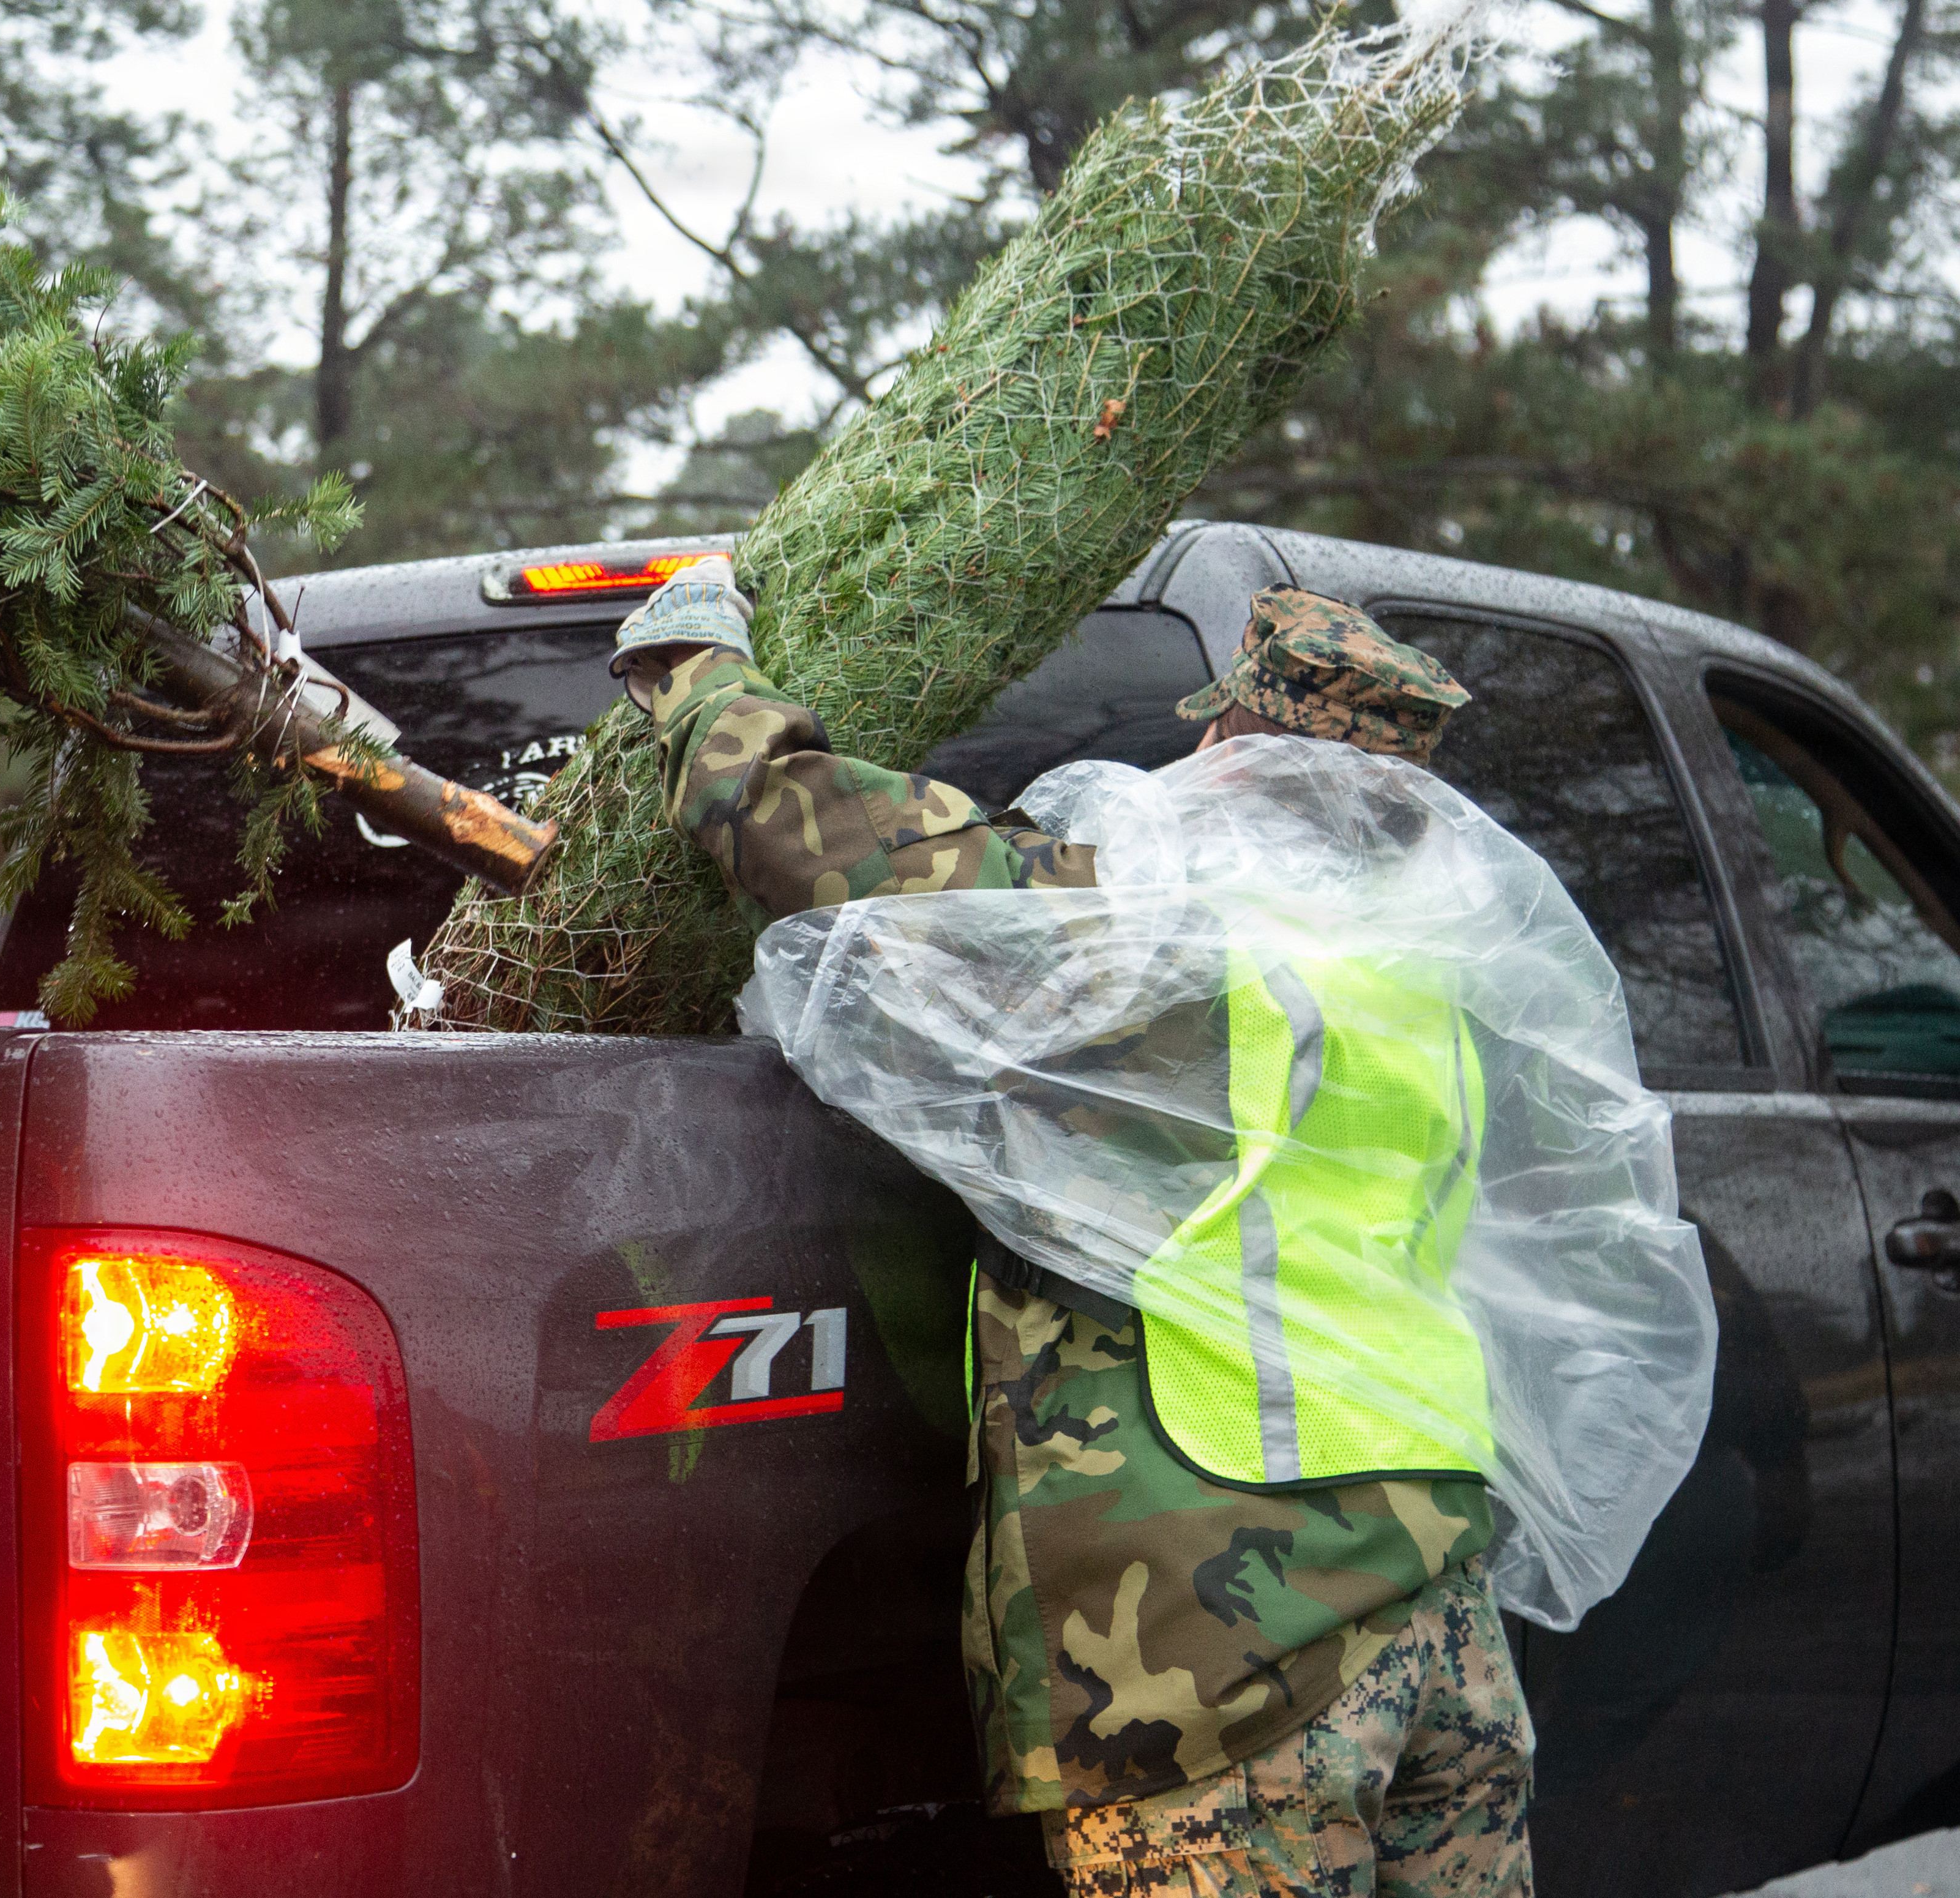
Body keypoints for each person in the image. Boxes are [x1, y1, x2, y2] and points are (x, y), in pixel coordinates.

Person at [614, 560, 1533, 1898]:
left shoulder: (1157, 951)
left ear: (1240, 755)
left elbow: (807, 833)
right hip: (1440, 1620)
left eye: (1213, 735)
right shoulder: (1413, 979)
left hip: (1229, 1655)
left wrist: (698, 667)